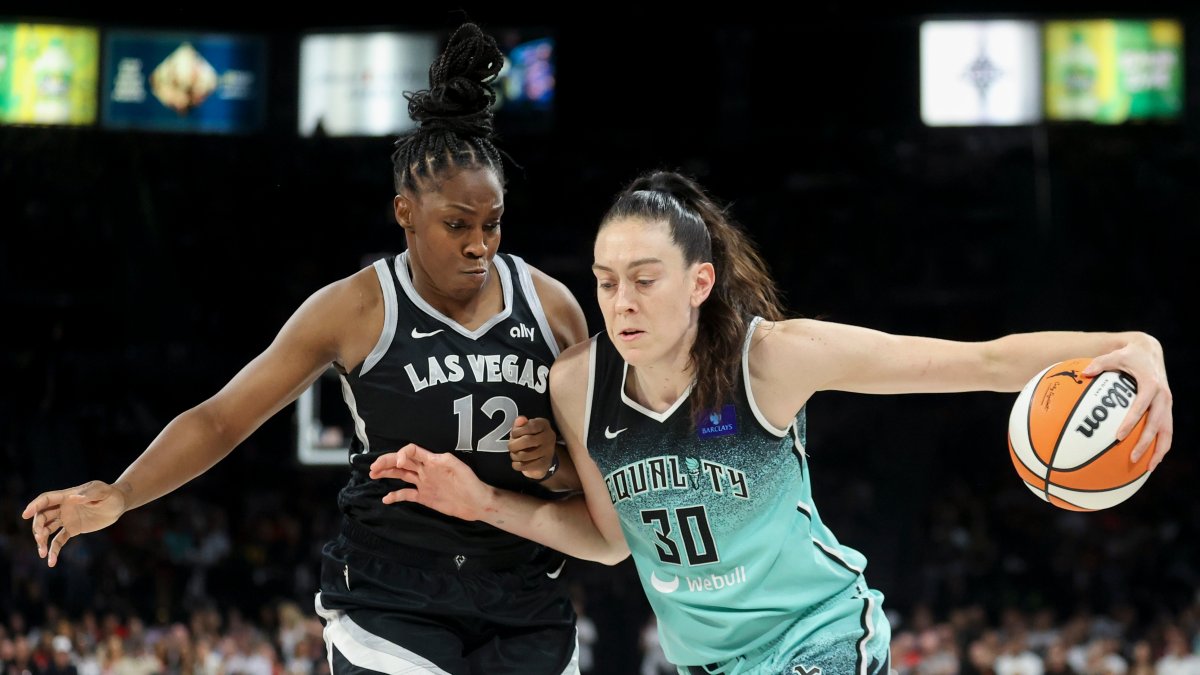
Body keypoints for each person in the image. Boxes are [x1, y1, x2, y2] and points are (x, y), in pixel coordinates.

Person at [368, 170, 1174, 675]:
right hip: (702, 661)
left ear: (699, 281)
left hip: (819, 637)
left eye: (645, 279)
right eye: (608, 280)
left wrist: (1130, 344)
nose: (621, 301)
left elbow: (986, 363)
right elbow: (614, 540)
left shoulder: (772, 360)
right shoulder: (576, 383)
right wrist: (483, 503)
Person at [22, 23, 590, 675]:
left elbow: (600, 474)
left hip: (523, 596)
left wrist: (554, 464)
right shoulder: (355, 307)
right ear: (406, 212)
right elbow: (223, 417)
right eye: (456, 224)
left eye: (491, 224)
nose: (478, 245)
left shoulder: (553, 309)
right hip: (391, 596)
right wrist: (123, 492)